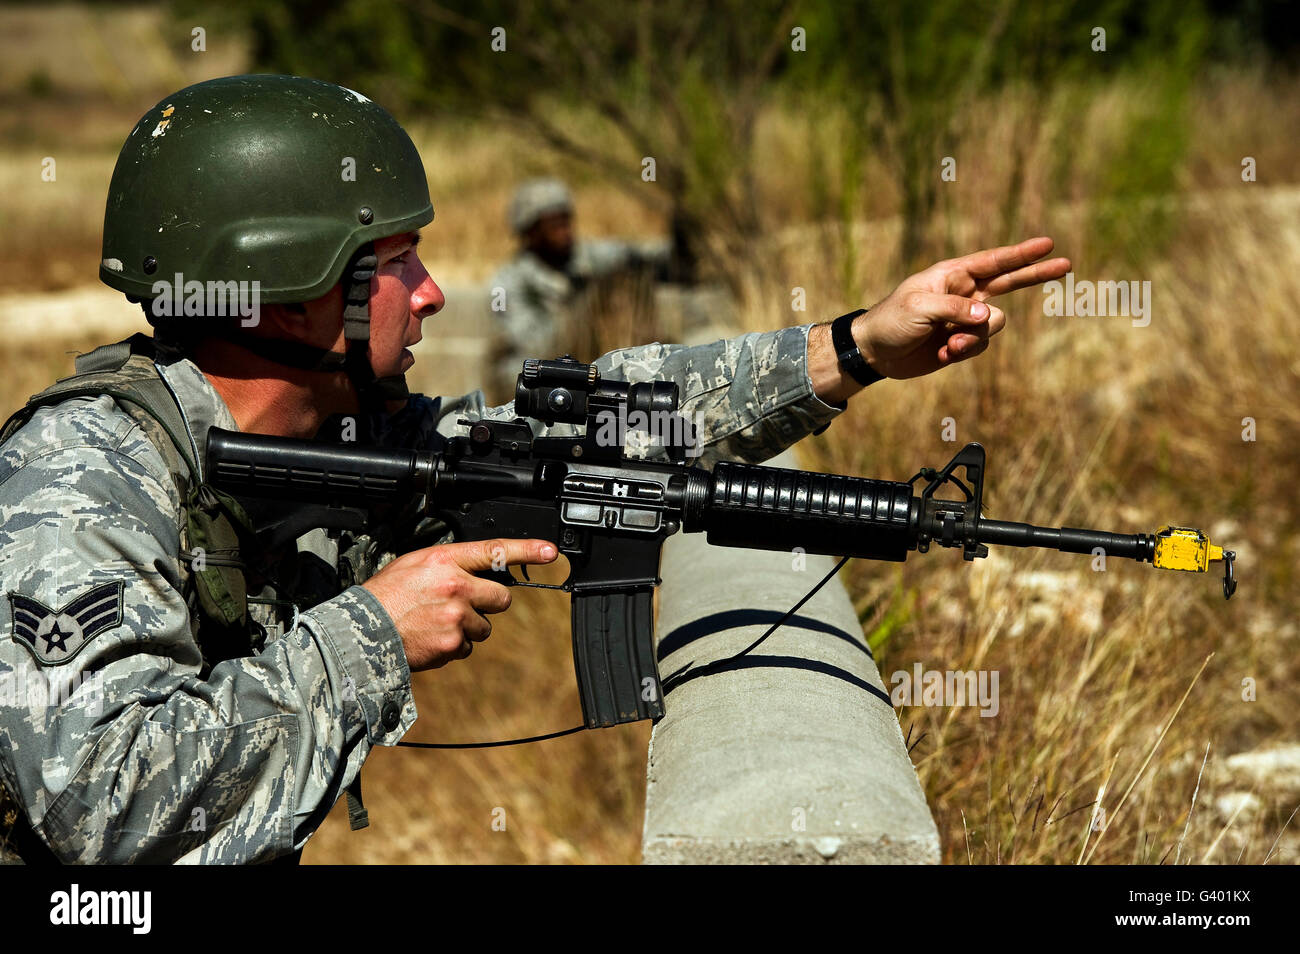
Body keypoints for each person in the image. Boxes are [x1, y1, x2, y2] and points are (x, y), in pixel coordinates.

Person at [0, 74, 1067, 864]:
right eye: (395, 262)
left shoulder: (342, 431)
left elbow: (603, 423)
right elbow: (100, 801)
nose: (431, 295)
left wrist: (852, 347)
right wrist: (372, 630)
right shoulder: (79, 487)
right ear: (287, 290)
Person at [487, 178, 675, 398]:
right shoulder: (509, 283)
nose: (565, 231)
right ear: (532, 233)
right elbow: (535, 344)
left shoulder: (588, 256)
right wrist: (588, 306)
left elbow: (642, 258)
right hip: (548, 376)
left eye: (566, 221)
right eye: (554, 226)